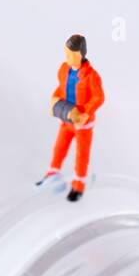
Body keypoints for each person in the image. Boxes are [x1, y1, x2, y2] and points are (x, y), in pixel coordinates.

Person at [37, 34, 105, 202]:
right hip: (66, 118)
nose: (66, 57)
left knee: (81, 155)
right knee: (59, 148)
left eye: (70, 54)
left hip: (82, 124)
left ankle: (79, 185)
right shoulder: (64, 69)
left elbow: (98, 97)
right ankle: (52, 174)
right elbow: (60, 89)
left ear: (79, 55)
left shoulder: (91, 76)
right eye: (65, 53)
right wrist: (54, 102)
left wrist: (86, 113)